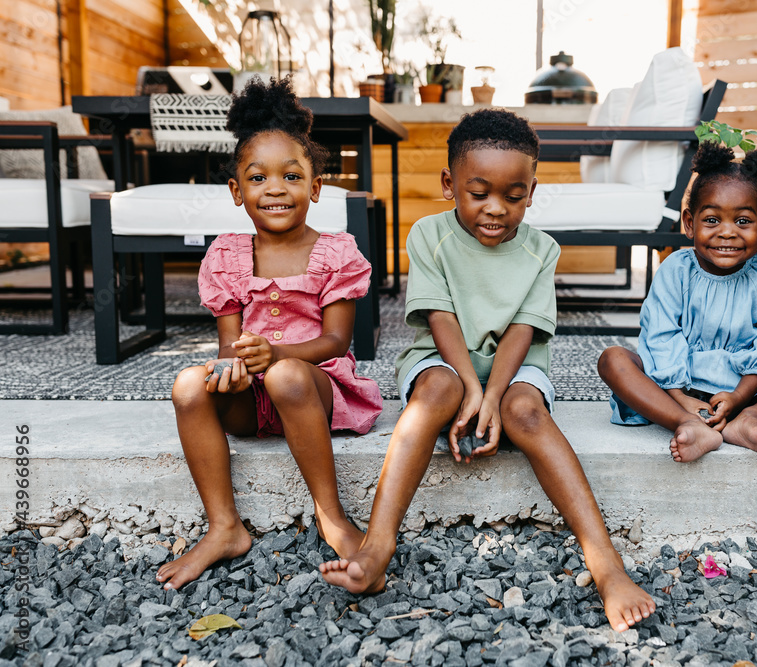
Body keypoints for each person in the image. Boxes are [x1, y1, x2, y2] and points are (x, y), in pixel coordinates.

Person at [318, 109, 655, 632]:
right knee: (436, 392)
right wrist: (471, 388)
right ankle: (377, 545)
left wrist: (493, 396)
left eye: (514, 196)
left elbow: (523, 329)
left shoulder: (543, 250)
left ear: (531, 190)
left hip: (516, 368)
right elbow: (440, 316)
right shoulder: (428, 234)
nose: (496, 209)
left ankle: (605, 562)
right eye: (480, 193)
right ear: (450, 184)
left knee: (527, 412)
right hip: (442, 358)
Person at [156, 77, 383, 591]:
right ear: (237, 191)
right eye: (258, 178)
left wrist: (276, 353)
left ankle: (331, 515)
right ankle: (224, 527)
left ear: (315, 186)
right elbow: (227, 346)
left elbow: (335, 343)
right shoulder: (227, 255)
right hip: (252, 393)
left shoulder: (335, 252)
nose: (275, 189)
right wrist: (230, 371)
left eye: (291, 176)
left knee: (285, 377)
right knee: (189, 385)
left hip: (311, 386)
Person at [598, 141, 757, 463]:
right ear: (689, 222)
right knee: (613, 359)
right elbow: (659, 338)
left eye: (743, 221)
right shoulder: (675, 270)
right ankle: (687, 423)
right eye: (712, 220)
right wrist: (681, 399)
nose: (727, 233)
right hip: (674, 393)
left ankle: (750, 419)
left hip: (752, 392)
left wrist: (740, 397)